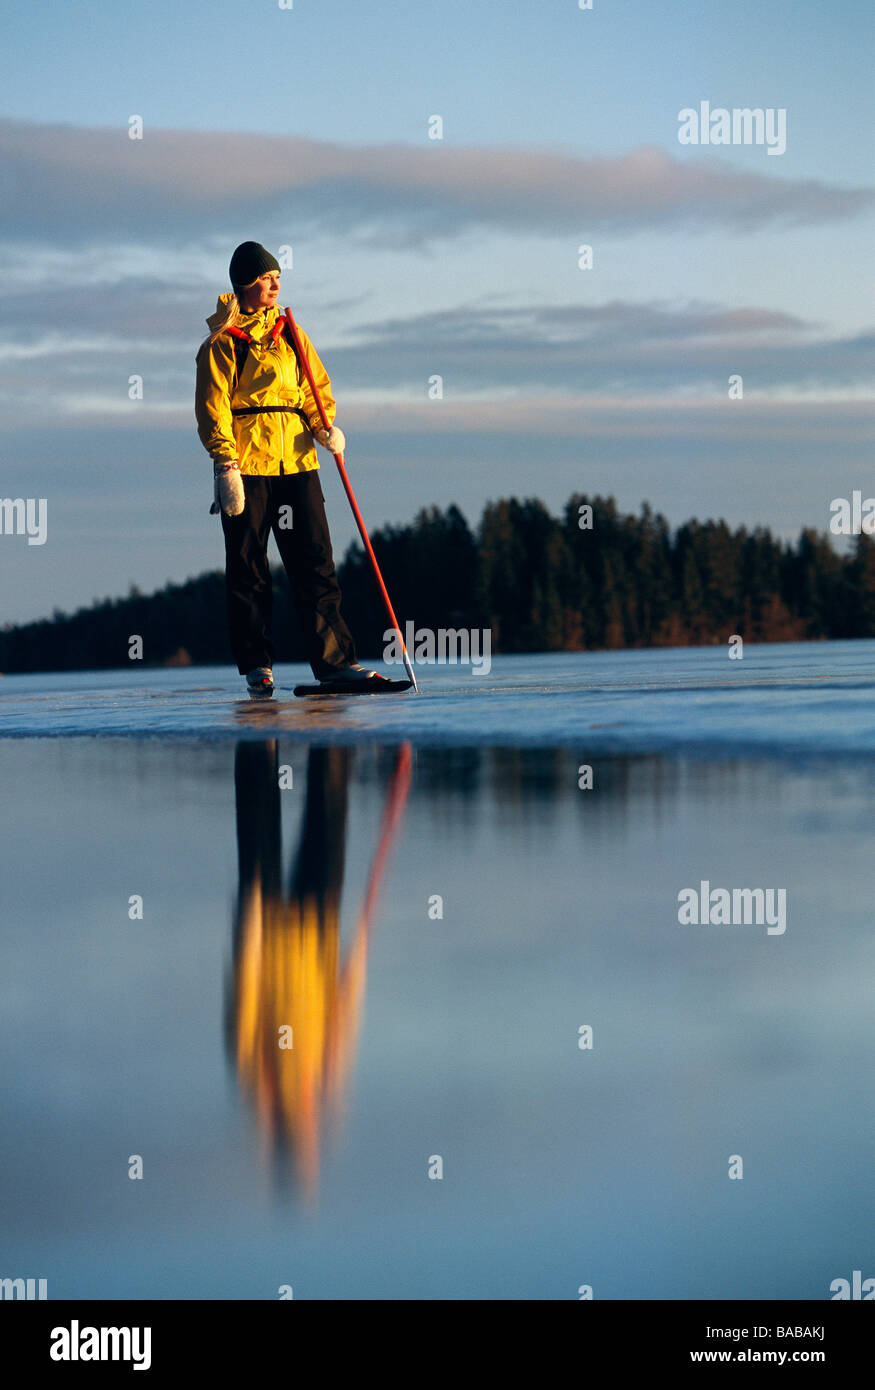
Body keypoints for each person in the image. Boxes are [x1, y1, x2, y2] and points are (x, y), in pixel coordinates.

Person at [195, 240, 384, 695]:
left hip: (297, 460)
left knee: (315, 562)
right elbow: (212, 407)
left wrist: (324, 428)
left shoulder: (292, 333)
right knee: (248, 569)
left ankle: (336, 662)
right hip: (248, 467)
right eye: (266, 278)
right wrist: (225, 465)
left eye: (278, 276)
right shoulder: (221, 345)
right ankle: (258, 666)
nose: (276, 284)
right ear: (245, 284)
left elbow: (314, 386)